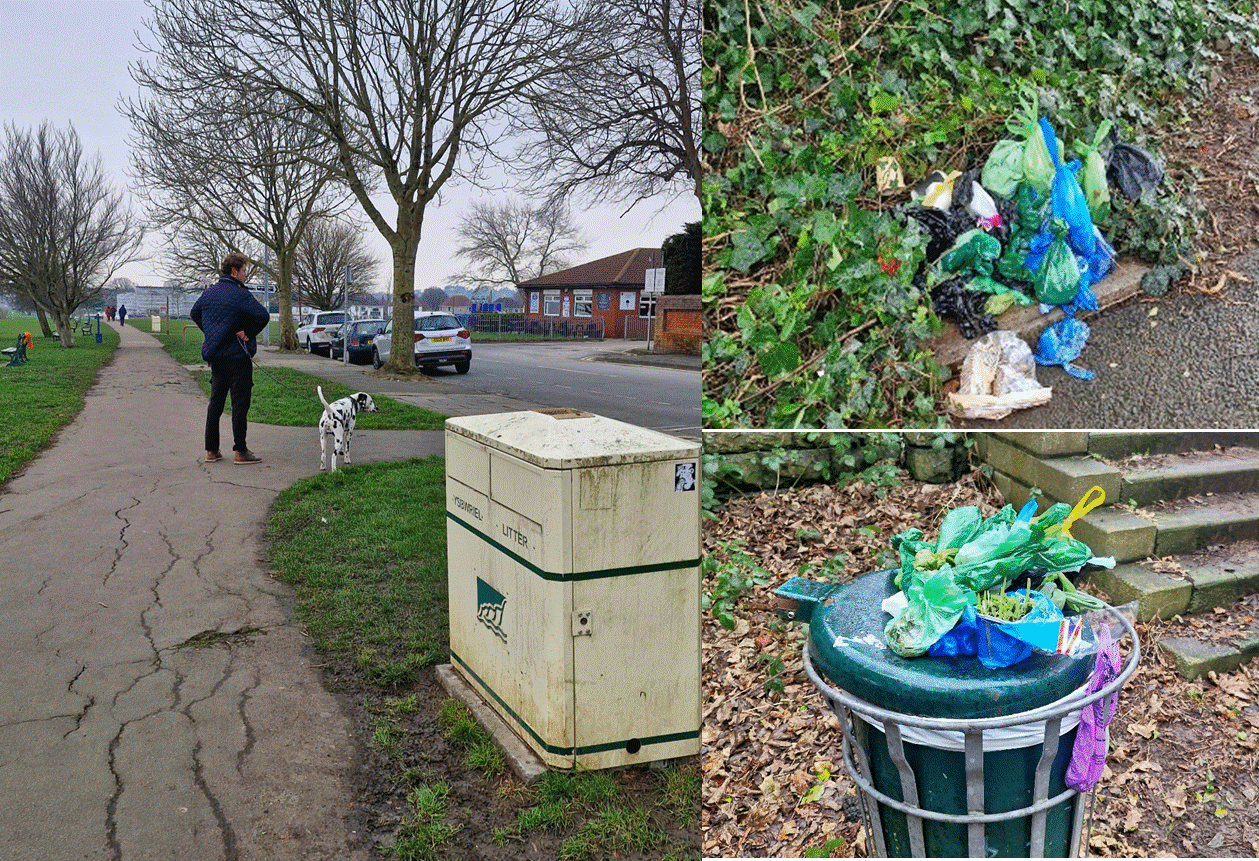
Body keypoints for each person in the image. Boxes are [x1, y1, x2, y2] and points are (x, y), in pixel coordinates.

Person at [190, 253, 270, 464]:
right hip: (237, 355)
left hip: (216, 356)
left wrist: (211, 332)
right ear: (235, 271)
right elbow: (263, 315)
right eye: (244, 271)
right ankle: (240, 451)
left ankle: (211, 450)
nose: (245, 276)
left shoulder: (209, 293)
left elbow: (195, 312)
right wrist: (248, 332)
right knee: (239, 404)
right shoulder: (241, 294)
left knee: (215, 402)